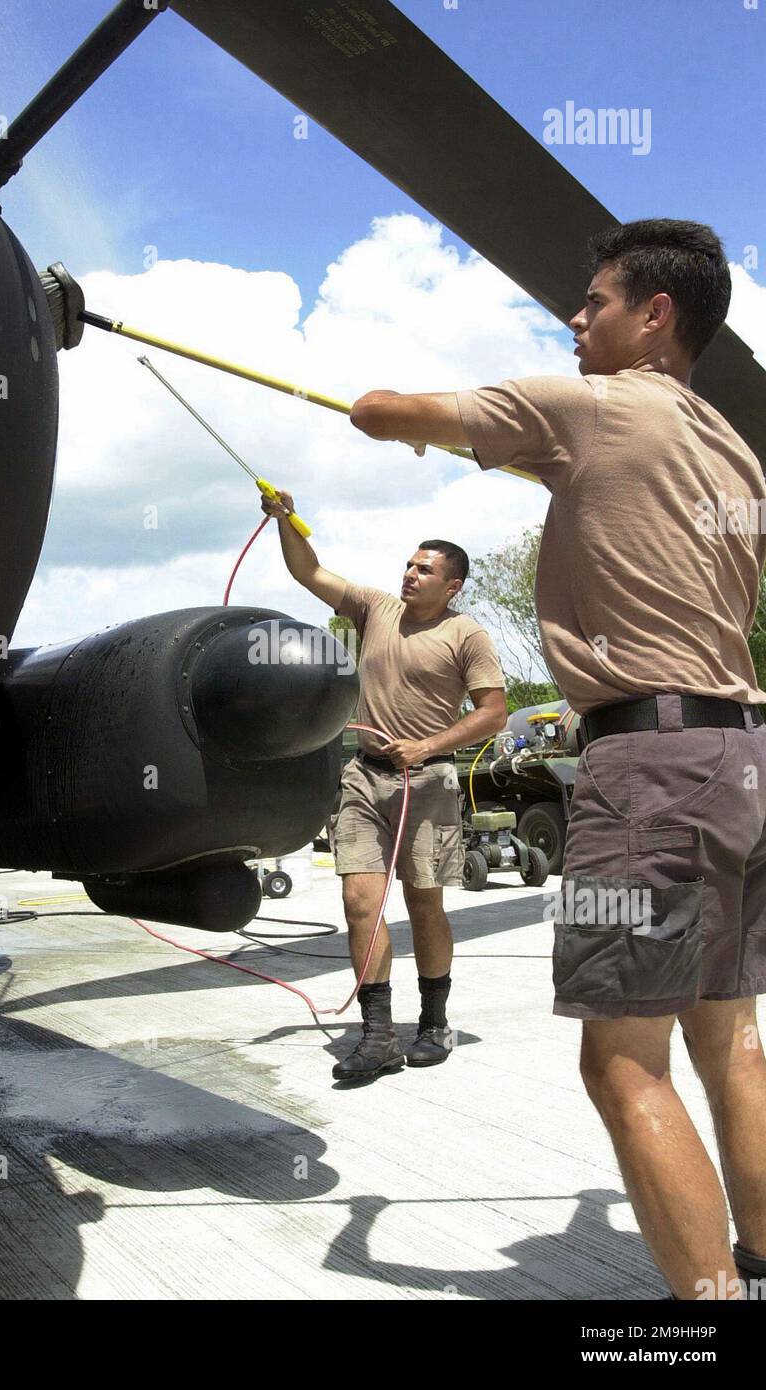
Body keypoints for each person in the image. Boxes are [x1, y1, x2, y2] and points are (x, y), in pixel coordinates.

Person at [348, 218, 766, 1300]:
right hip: (737, 758)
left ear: (653, 315)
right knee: (730, 1046)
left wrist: (421, 430)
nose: (575, 320)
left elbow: (375, 409)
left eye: (593, 303)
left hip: (645, 771)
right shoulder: (729, 450)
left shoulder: (587, 404)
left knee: (623, 1064)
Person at [259, 490, 507, 1080]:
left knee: (425, 904)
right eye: (409, 563)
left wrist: (428, 745)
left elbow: (493, 712)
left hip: (428, 781)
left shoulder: (466, 634)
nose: (410, 573)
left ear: (452, 587)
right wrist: (285, 520)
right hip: (365, 780)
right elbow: (309, 570)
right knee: (359, 903)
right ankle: (377, 1037)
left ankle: (434, 1023)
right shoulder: (374, 608)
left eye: (425, 569)